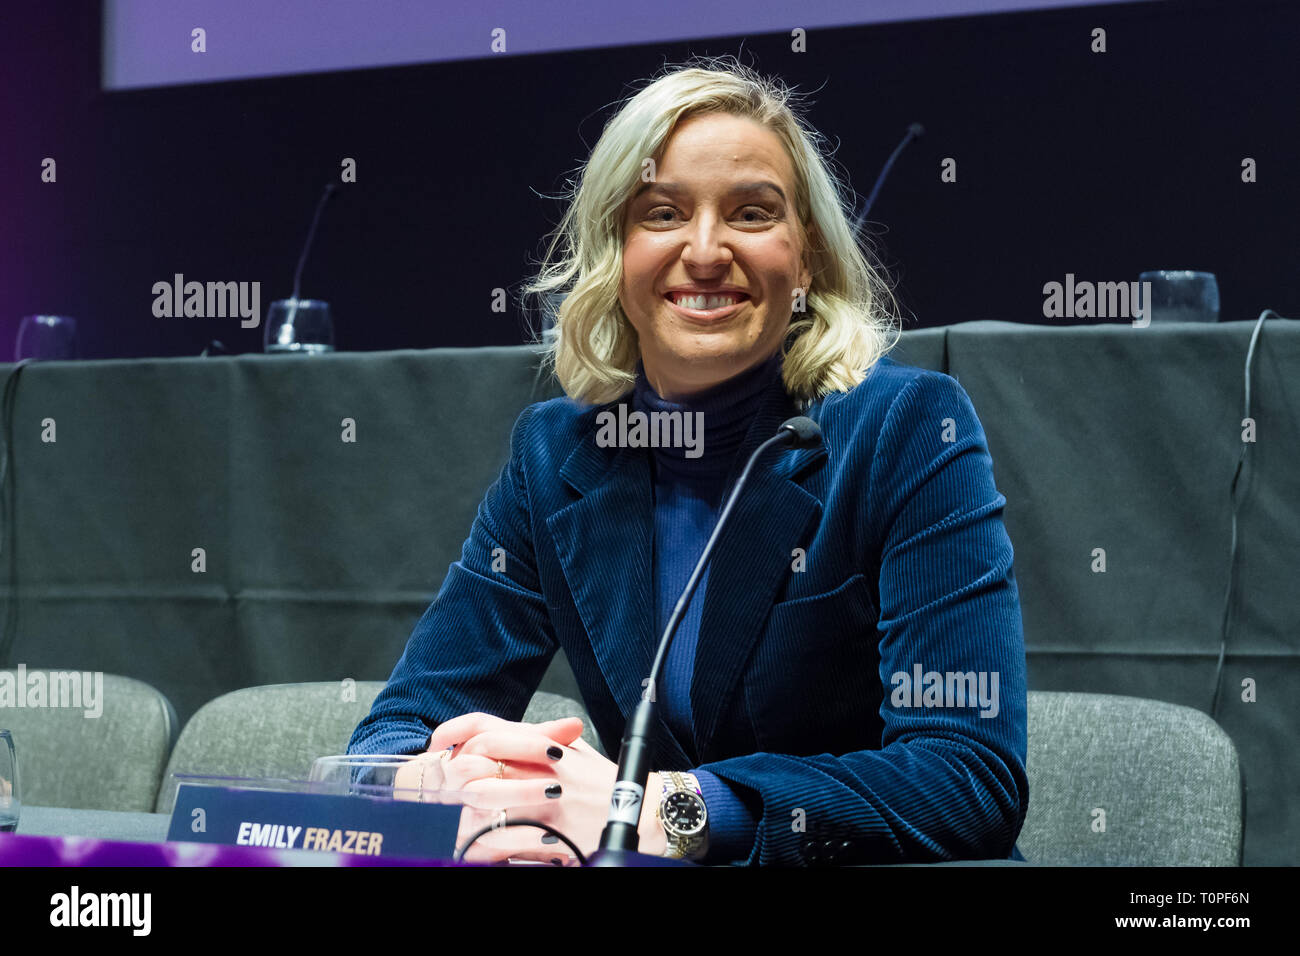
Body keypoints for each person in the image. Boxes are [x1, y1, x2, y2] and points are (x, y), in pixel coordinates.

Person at [347, 56, 1029, 866]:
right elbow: (395, 731)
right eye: (662, 214)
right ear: (615, 253)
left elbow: (968, 776)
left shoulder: (905, 430)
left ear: (805, 257)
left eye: (750, 213)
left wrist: (669, 808)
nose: (705, 252)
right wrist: (444, 786)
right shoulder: (555, 455)